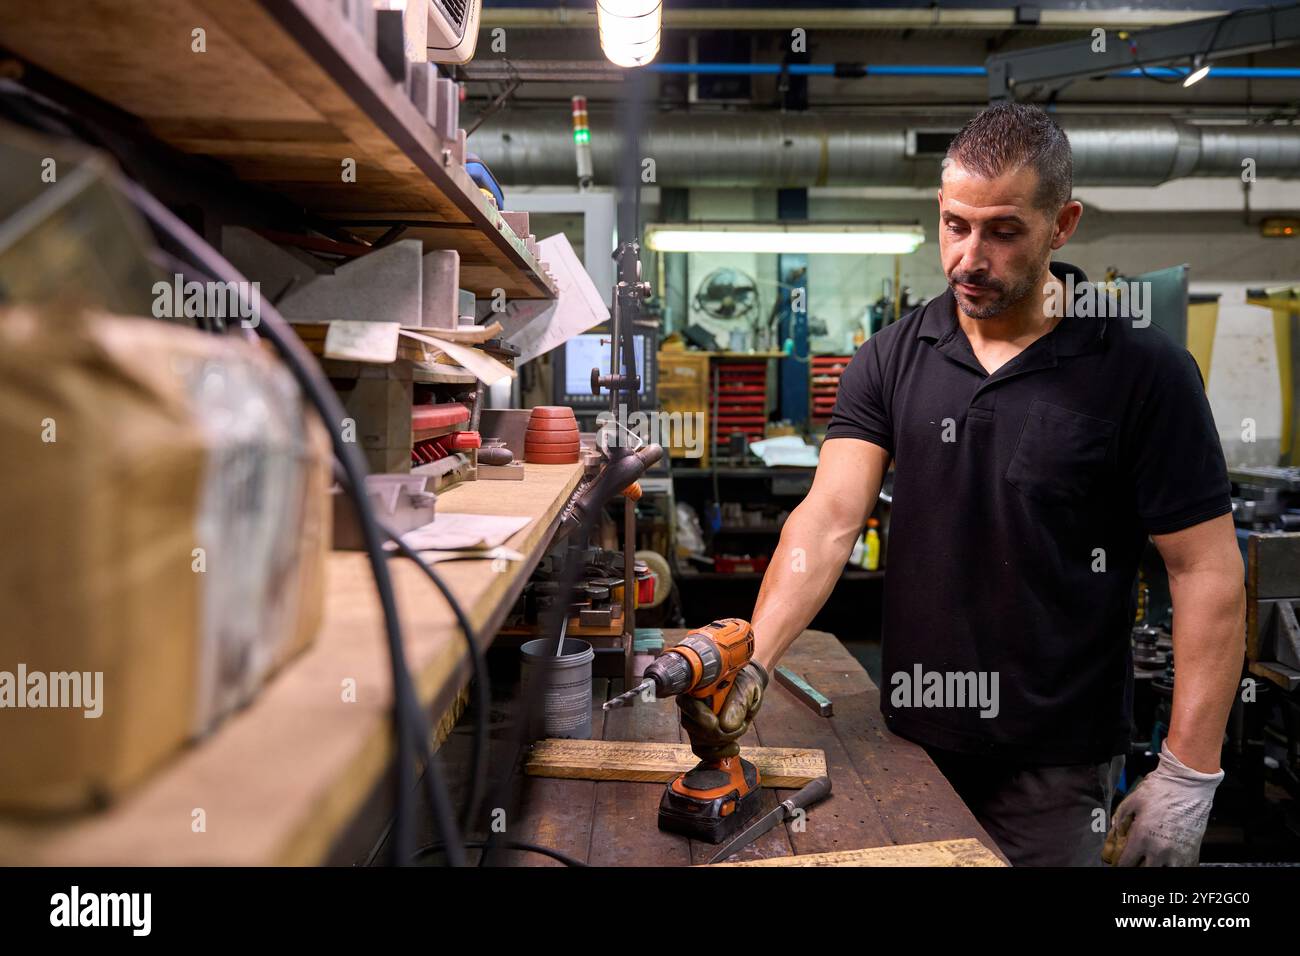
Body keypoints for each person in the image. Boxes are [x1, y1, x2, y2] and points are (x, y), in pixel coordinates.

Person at [677, 102, 1245, 867]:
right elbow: (828, 521)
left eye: (1004, 231)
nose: (969, 259)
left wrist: (1188, 771)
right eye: (955, 225)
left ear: (1062, 223)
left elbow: (1205, 569)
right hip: (912, 737)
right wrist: (759, 657)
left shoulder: (1143, 372)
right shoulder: (891, 357)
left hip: (1055, 764)